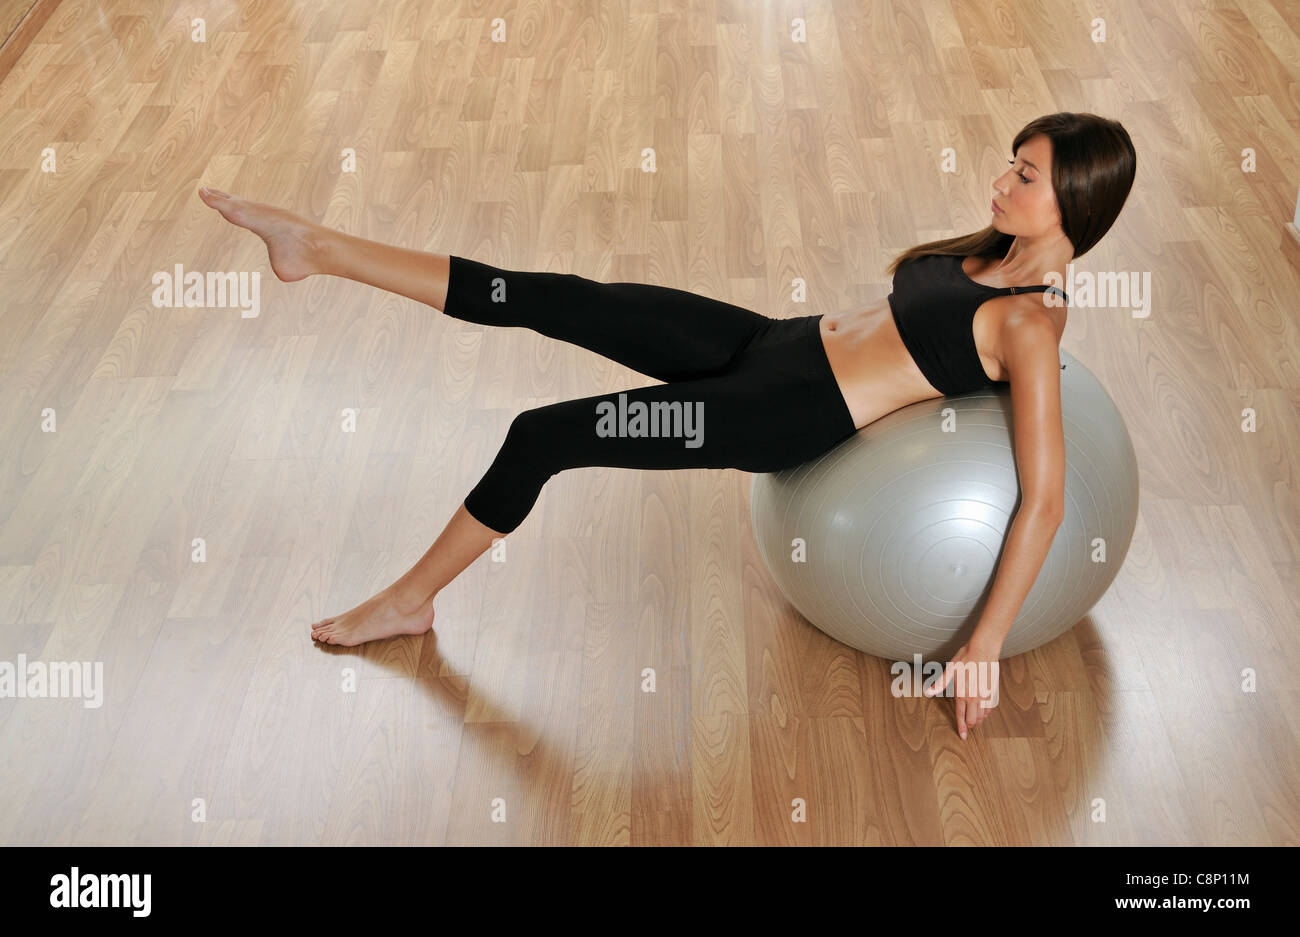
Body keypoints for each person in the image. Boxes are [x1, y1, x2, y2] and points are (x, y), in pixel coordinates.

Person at [198, 110, 1134, 737]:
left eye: (1027, 175)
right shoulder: (994, 258)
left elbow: (1045, 502)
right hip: (775, 343)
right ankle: (317, 247)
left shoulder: (1029, 322)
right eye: (1013, 164)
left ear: (1076, 204)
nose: (1002, 182)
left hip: (782, 412)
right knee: (555, 295)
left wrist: (981, 648)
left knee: (541, 434)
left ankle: (406, 601)